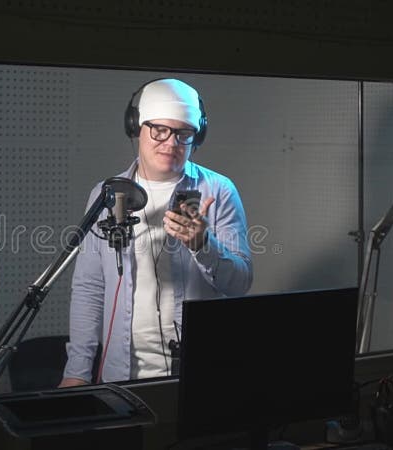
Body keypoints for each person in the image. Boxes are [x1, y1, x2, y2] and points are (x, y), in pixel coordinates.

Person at [59, 78, 252, 387]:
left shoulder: (219, 191)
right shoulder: (106, 194)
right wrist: (76, 372)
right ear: (136, 127)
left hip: (196, 374)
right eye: (159, 129)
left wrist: (203, 245)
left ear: (197, 135)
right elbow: (89, 288)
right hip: (121, 374)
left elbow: (239, 284)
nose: (171, 143)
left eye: (183, 133)